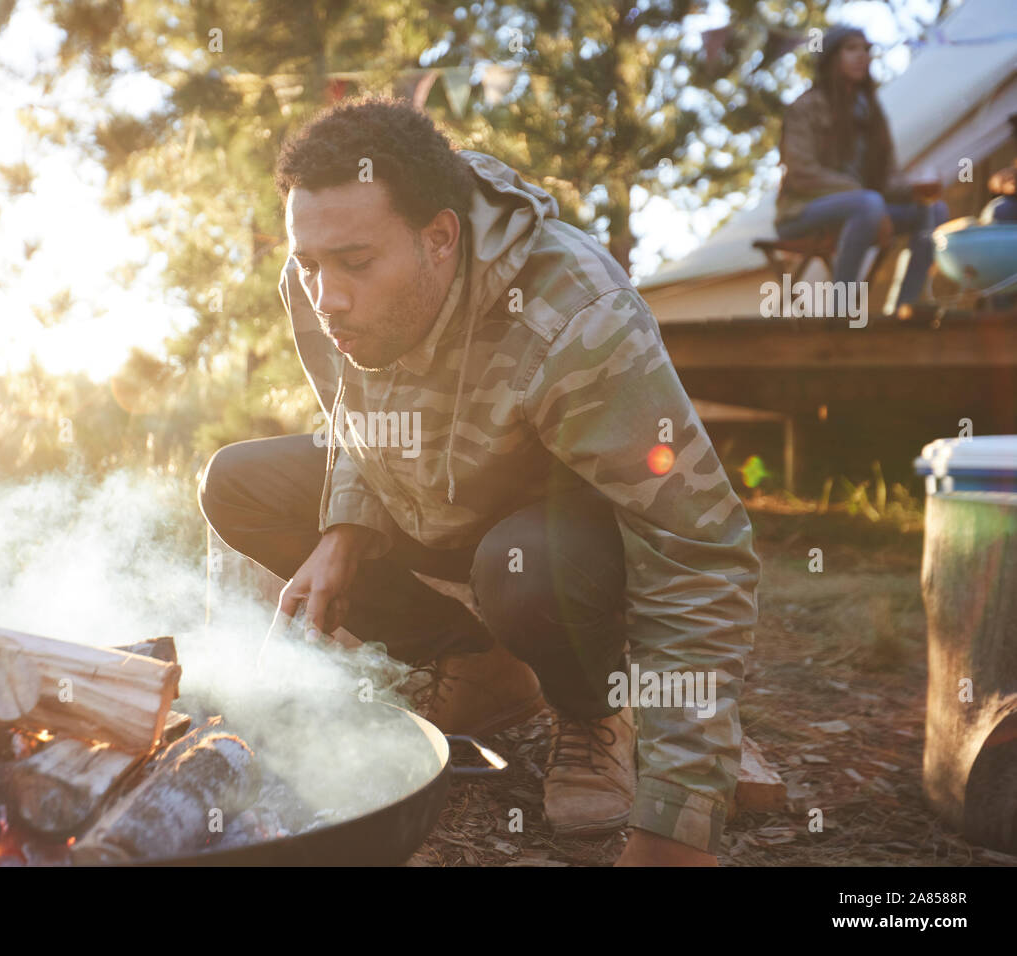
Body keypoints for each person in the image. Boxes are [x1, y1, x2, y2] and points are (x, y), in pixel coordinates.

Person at [197, 97, 761, 866]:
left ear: (440, 238)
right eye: (308, 263)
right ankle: (480, 665)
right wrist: (344, 526)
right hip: (430, 496)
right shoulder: (324, 278)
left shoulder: (575, 315)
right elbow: (357, 411)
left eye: (355, 264)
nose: (325, 296)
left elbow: (699, 550)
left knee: (521, 569)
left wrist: (679, 822)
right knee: (237, 483)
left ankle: (593, 709)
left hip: (559, 540)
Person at [775, 24, 950, 307]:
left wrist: (912, 190)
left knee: (934, 211)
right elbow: (801, 171)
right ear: (832, 56)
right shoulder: (805, 107)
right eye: (851, 48)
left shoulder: (872, 113)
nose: (862, 56)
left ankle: (906, 306)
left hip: (864, 209)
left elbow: (888, 179)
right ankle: (840, 309)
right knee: (868, 203)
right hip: (802, 213)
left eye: (866, 49)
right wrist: (865, 197)